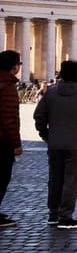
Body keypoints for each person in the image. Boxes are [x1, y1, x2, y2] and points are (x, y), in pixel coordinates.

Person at [33, 60, 77, 229]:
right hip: (76, 144)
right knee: (71, 181)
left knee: (54, 179)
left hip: (55, 143)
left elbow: (38, 116)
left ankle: (53, 215)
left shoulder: (50, 93)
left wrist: (45, 134)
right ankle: (65, 217)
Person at [0, 50, 23, 228]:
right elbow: (9, 117)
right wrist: (16, 144)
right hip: (2, 141)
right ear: (14, 67)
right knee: (2, 177)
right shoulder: (7, 86)